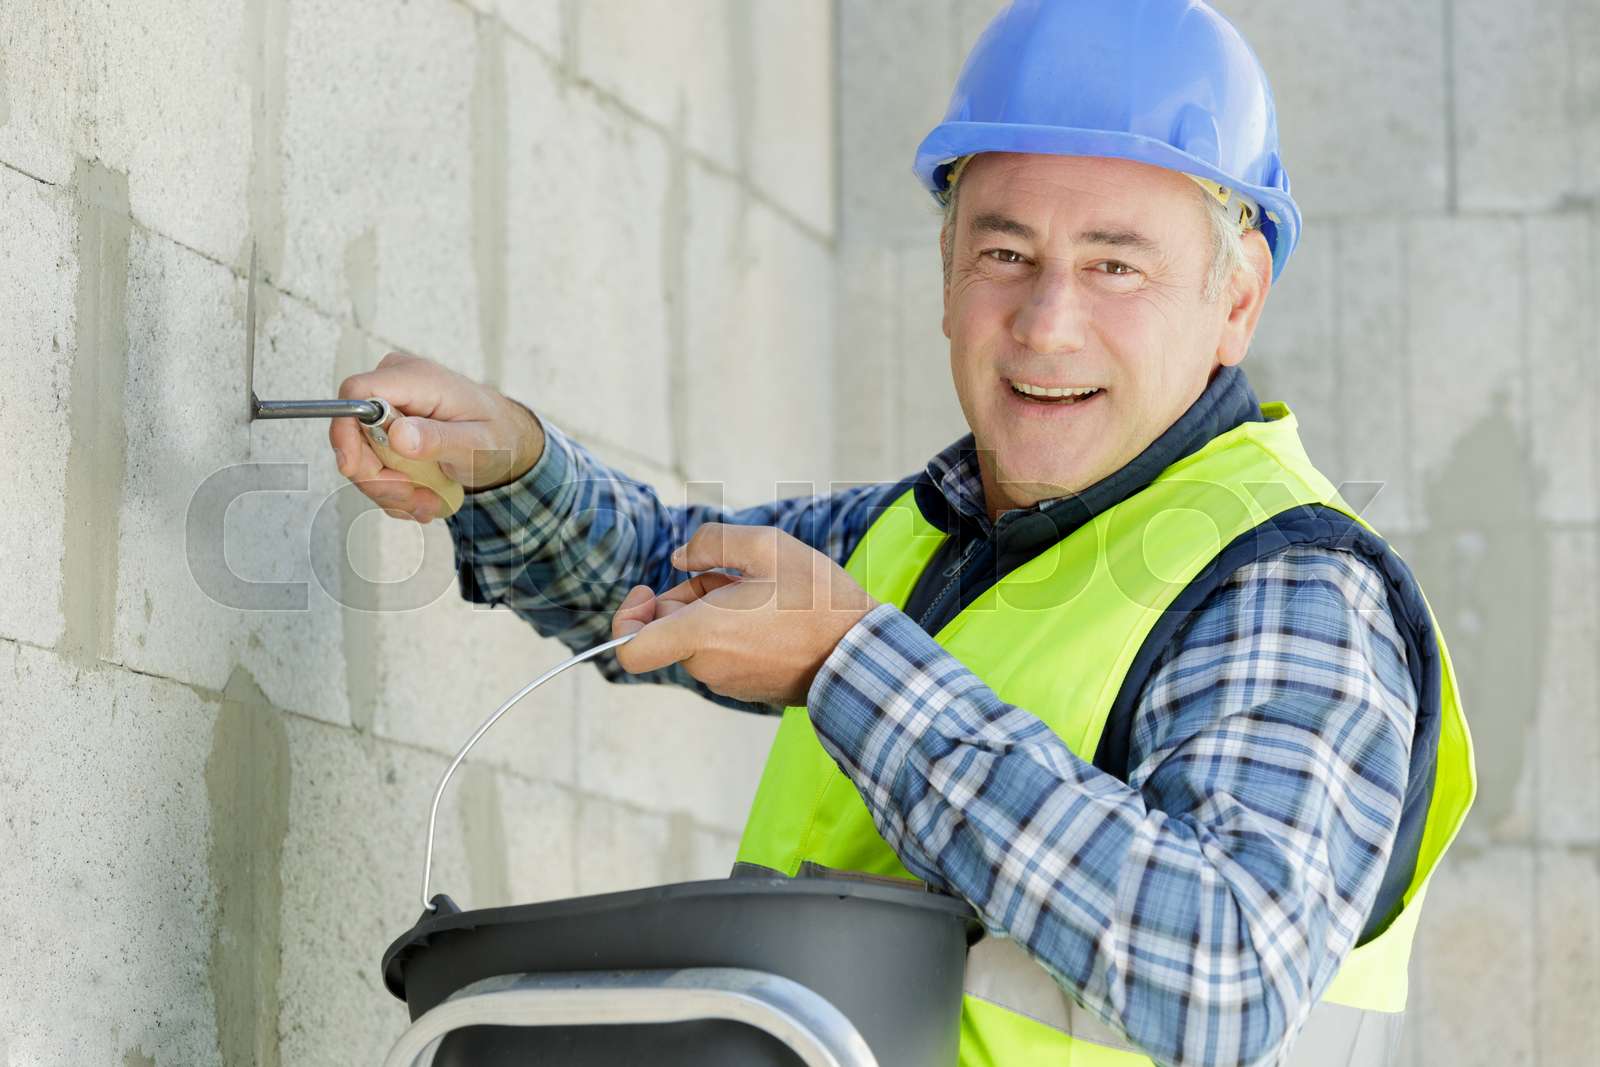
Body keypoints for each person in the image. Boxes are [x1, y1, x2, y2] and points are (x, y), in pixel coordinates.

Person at [330, 2, 1474, 1063]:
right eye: (1003, 253)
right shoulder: (933, 532)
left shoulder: (1290, 585)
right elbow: (652, 581)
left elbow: (1222, 964)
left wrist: (845, 660)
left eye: (1114, 265)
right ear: (943, 273)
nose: (1045, 322)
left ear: (1236, 299)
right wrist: (508, 462)